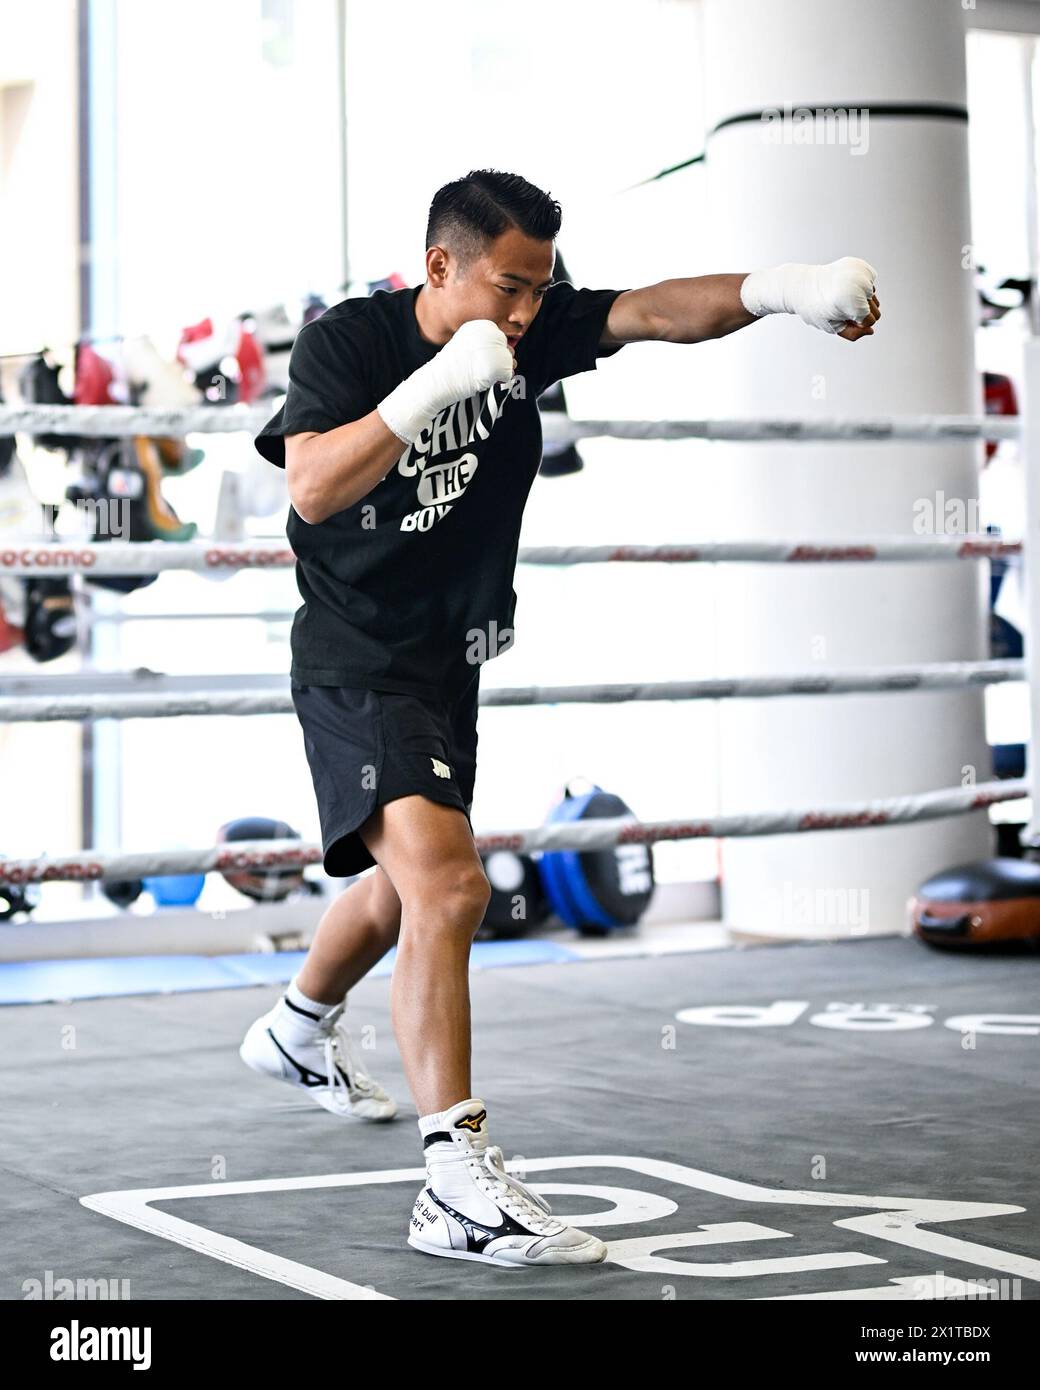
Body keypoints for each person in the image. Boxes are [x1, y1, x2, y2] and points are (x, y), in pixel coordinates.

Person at [242, 168, 881, 1268]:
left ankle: (295, 1029)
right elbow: (308, 488)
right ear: (438, 265)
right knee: (449, 883)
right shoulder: (346, 344)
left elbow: (655, 311)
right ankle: (453, 1184)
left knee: (402, 891)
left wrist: (786, 288)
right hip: (358, 660)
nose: (528, 311)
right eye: (508, 286)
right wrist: (430, 388)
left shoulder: (527, 327)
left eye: (539, 289)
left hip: (446, 662)